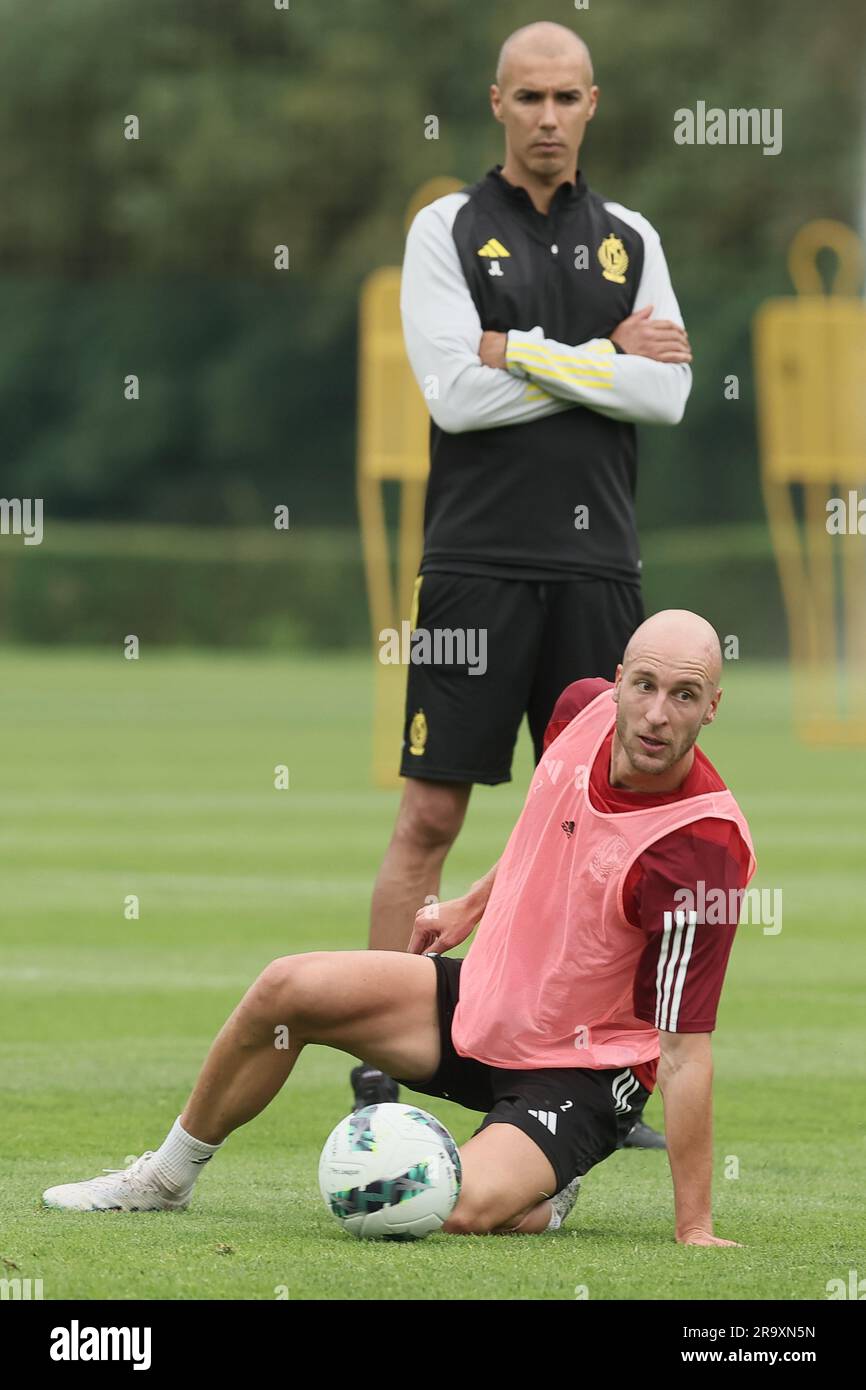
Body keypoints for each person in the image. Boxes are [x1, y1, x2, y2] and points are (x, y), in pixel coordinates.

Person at [44, 612, 755, 1245]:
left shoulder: (700, 853)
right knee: (287, 987)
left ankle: (548, 1192)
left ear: (712, 708)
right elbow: (552, 825)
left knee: (422, 1204)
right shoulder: (578, 710)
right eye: (645, 685)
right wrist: (469, 906)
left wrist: (694, 1228)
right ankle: (165, 1180)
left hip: (583, 1070)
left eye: (684, 695)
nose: (657, 714)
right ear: (618, 680)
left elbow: (683, 1052)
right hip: (491, 998)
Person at [359, 21, 692, 1150]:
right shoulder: (444, 227)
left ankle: (602, 1071)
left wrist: (524, 350)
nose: (547, 116)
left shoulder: (631, 235)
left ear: (592, 103)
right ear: (494, 103)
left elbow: (667, 398)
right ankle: (378, 1059)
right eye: (527, 97)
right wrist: (604, 358)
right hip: (471, 563)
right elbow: (454, 396)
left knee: (608, 826)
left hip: (600, 567)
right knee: (430, 812)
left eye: (566, 97)